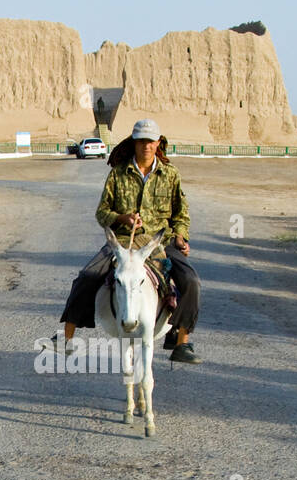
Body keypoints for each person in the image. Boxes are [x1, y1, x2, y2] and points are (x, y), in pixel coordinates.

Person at [57, 119, 201, 363]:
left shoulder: (170, 175)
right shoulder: (118, 174)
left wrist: (180, 237)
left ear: (158, 143)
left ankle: (180, 342)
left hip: (159, 242)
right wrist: (122, 218)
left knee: (192, 281)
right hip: (123, 243)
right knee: (86, 277)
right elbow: (101, 213)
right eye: (141, 141)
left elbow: (181, 214)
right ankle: (66, 339)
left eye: (150, 141)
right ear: (134, 143)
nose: (146, 146)